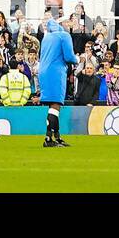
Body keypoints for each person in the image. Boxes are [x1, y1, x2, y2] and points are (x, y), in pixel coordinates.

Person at [37, 17, 76, 148]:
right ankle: (48, 138)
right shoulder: (64, 36)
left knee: (52, 105)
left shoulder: (46, 38)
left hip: (43, 71)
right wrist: (78, 59)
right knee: (55, 105)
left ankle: (57, 137)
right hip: (56, 71)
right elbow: (69, 56)